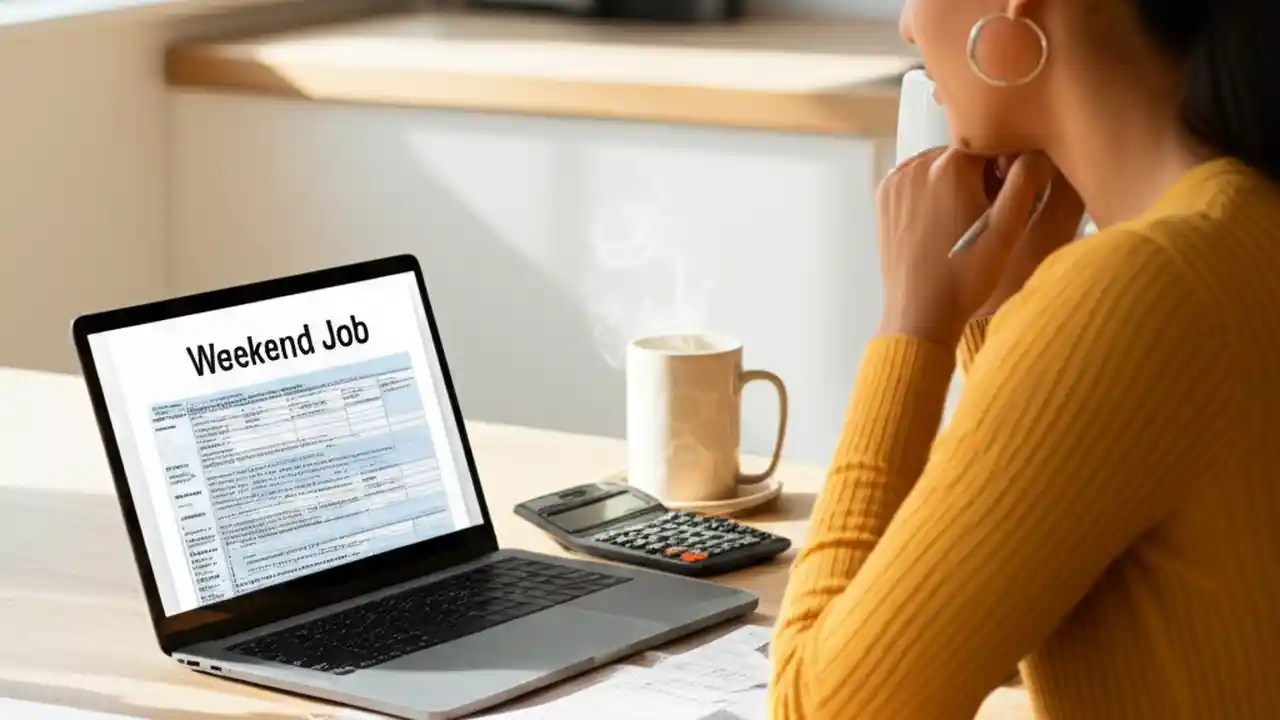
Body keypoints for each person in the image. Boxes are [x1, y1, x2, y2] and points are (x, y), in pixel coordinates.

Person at [769, 0, 1280, 718]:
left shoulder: (1140, 288)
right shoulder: (1239, 228)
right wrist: (1002, 314)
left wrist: (912, 325)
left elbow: (819, 710)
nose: (908, 25)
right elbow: (994, 624)